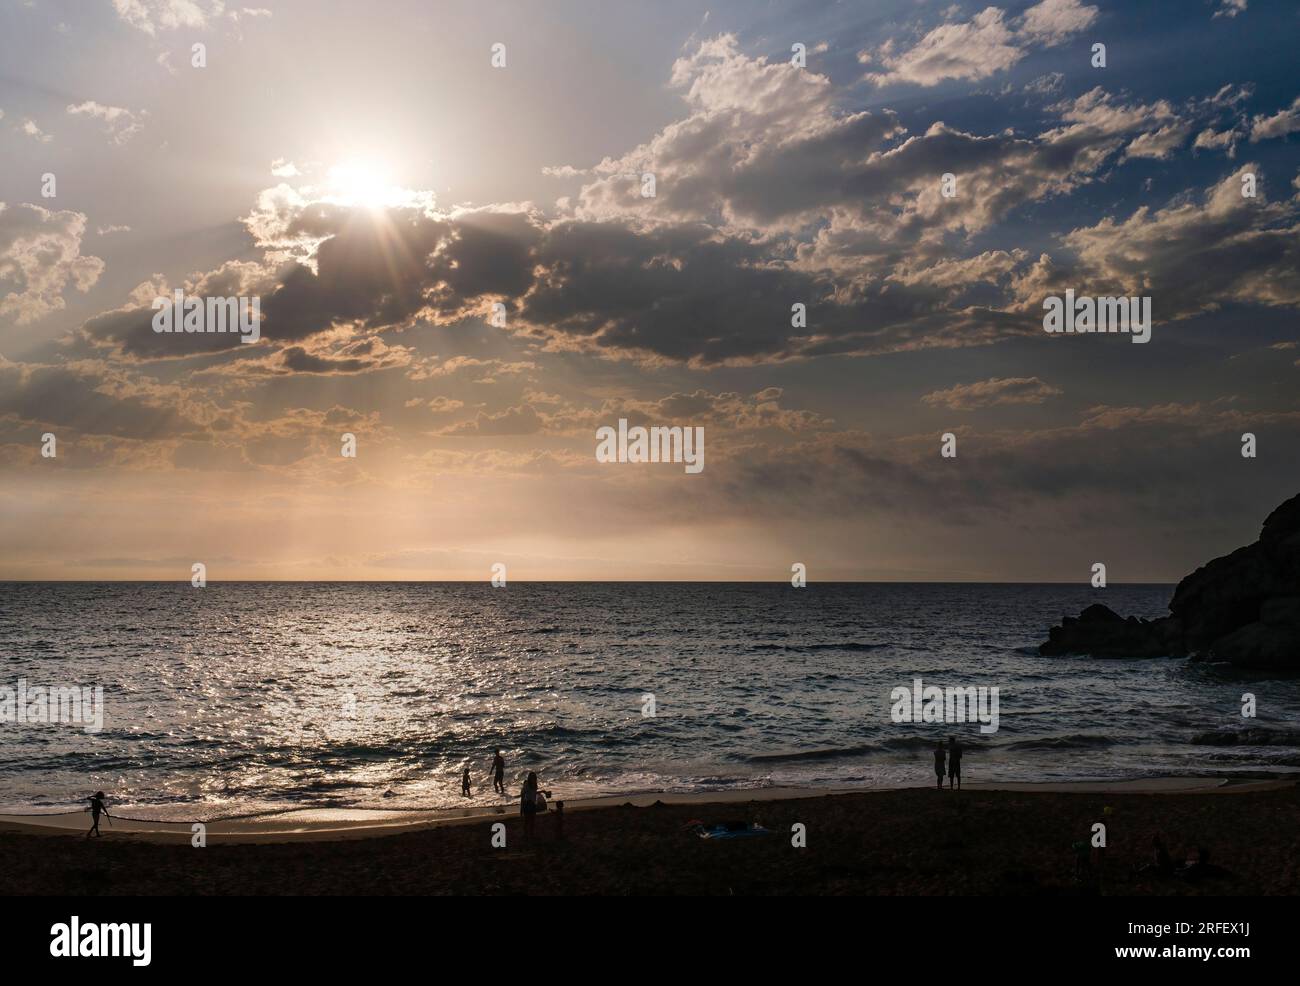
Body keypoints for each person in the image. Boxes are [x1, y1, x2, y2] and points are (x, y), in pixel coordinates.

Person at [519, 771, 551, 841]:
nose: (534, 779)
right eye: (532, 778)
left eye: (534, 778)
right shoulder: (527, 785)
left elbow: (533, 792)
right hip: (527, 804)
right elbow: (522, 795)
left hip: (532, 804)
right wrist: (521, 807)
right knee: (527, 821)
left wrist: (543, 791)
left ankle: (531, 835)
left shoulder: (535, 785)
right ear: (530, 778)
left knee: (532, 820)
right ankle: (525, 835)